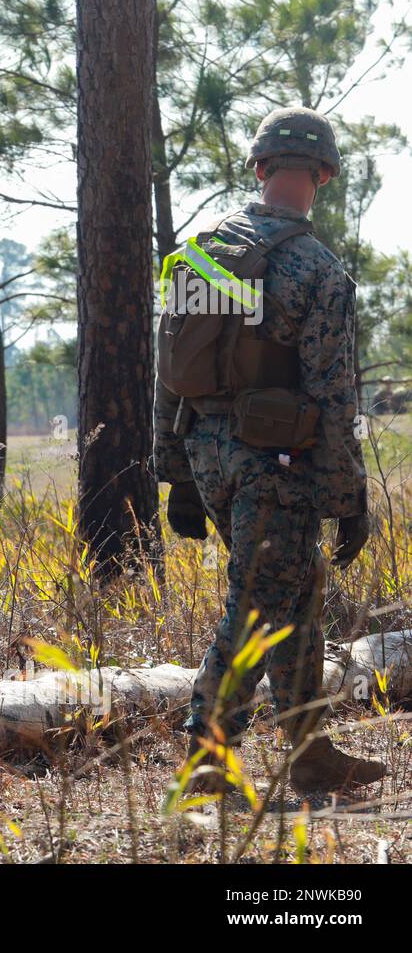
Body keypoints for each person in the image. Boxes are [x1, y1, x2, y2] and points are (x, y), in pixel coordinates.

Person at [153, 107, 384, 794]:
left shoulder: (199, 252)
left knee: (298, 588)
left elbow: (168, 372)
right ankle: (207, 752)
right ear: (322, 175)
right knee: (256, 601)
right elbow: (335, 396)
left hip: (208, 454)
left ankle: (309, 749)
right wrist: (349, 500)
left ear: (259, 169)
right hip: (276, 462)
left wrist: (178, 476)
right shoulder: (318, 270)